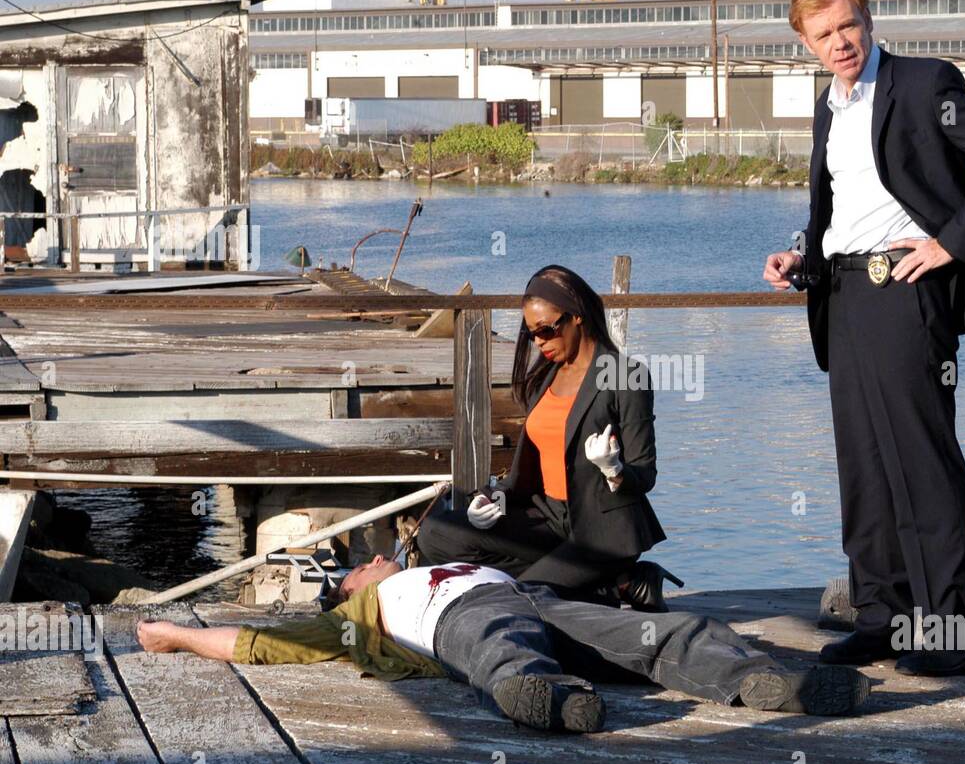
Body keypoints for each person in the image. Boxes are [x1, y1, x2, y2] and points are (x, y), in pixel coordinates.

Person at [762, 0, 965, 676]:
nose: (840, 41)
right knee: (866, 466)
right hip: (842, 298)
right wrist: (801, 259)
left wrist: (950, 242)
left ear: (869, 20)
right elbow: (839, 213)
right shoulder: (830, 106)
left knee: (922, 461)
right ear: (807, 43)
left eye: (849, 25)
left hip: (906, 292)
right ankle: (882, 617)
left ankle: (949, 629)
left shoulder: (923, 83)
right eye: (824, 34)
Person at [135, 556, 871, 733]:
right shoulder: (359, 611)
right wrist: (174, 634)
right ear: (356, 584)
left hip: (538, 603)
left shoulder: (441, 552)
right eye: (358, 563)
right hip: (455, 617)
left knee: (666, 632)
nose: (369, 557)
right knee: (497, 645)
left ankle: (764, 681)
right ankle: (543, 695)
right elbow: (259, 642)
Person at [418, 264, 677, 612]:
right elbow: (529, 472)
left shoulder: (624, 375)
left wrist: (614, 469)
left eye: (546, 330)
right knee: (436, 534)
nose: (540, 341)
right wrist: (493, 497)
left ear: (577, 317)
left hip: (600, 530)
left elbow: (644, 474)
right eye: (531, 334)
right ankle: (614, 587)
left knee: (525, 599)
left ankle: (600, 582)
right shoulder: (546, 376)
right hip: (548, 518)